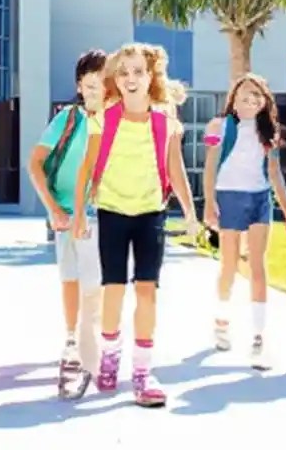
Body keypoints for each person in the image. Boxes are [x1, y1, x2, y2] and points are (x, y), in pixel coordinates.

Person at [73, 42, 199, 408]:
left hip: (150, 212)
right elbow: (87, 168)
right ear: (116, 78)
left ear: (151, 76)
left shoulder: (165, 120)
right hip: (112, 211)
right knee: (113, 289)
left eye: (138, 72)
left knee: (147, 290)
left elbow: (175, 168)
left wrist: (189, 213)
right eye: (123, 73)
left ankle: (142, 373)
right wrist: (80, 214)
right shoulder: (104, 118)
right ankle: (110, 355)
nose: (131, 79)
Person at [202, 73, 286, 369]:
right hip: (229, 198)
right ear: (234, 97)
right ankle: (221, 320)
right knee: (229, 265)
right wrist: (209, 204)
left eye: (258, 93)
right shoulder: (219, 126)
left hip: (259, 199)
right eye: (245, 92)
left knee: (258, 266)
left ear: (264, 100)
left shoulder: (268, 132)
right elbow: (210, 166)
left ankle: (259, 336)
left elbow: (275, 174)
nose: (251, 98)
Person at [26, 49, 107, 399]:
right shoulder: (68, 119)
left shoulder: (119, 119)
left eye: (104, 82)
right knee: (72, 278)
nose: (97, 90)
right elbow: (35, 164)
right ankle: (73, 339)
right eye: (91, 83)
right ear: (79, 85)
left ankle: (99, 342)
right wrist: (53, 210)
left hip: (108, 211)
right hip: (68, 212)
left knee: (101, 281)